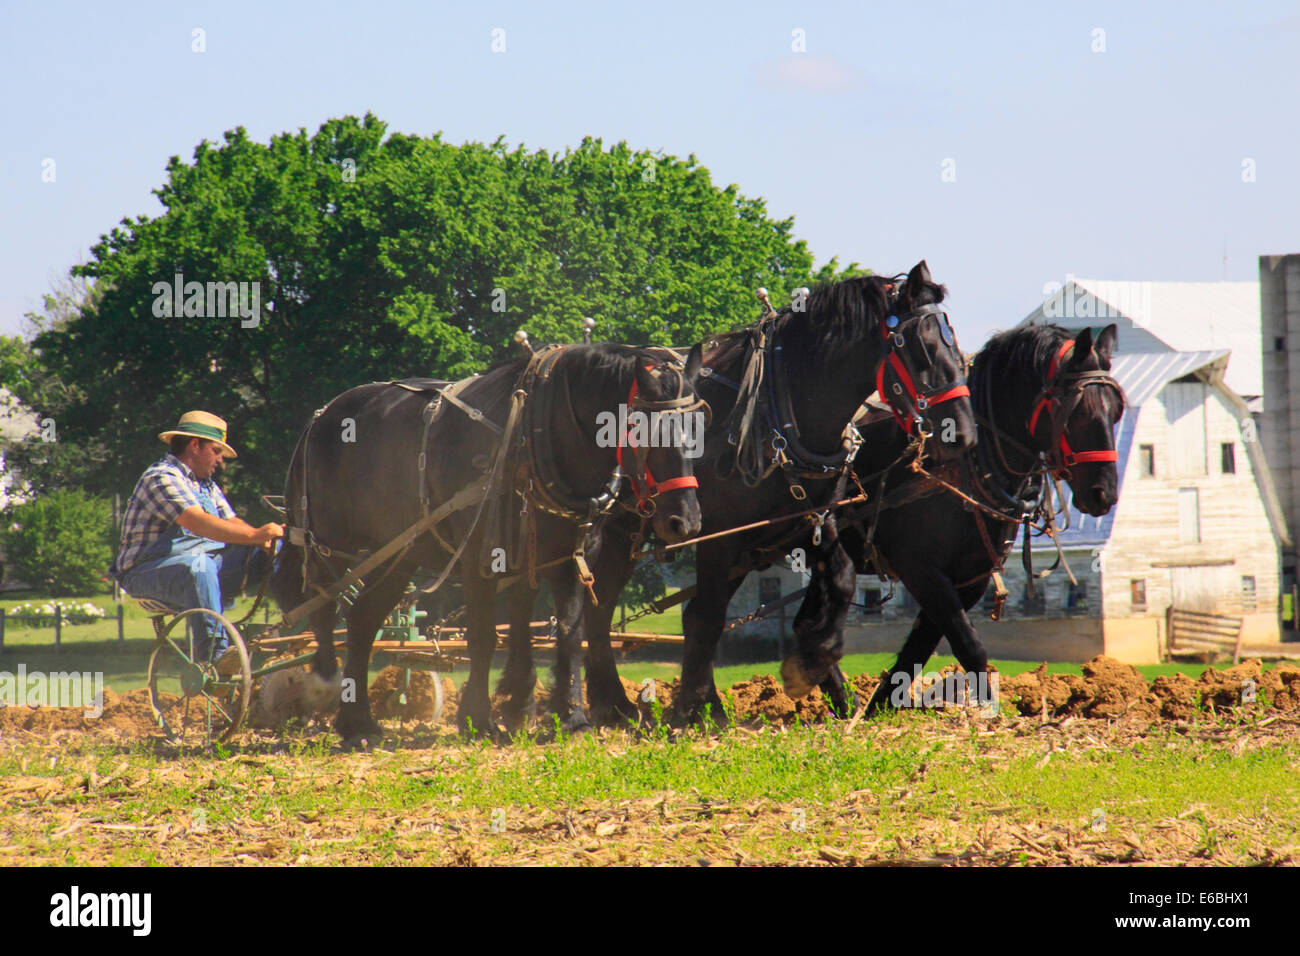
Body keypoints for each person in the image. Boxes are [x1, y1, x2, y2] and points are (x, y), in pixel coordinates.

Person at [112, 411, 283, 667]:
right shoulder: (161, 477)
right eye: (216, 451)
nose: (220, 460)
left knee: (278, 550)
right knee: (199, 567)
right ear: (195, 445)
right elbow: (197, 522)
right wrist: (255, 534)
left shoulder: (207, 486)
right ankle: (214, 657)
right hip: (146, 572)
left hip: (202, 565)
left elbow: (230, 521)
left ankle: (295, 625)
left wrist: (264, 542)